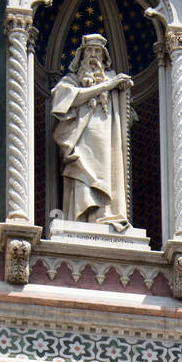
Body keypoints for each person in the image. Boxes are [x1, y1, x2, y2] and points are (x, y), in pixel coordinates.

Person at [51, 33, 133, 231]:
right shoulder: (72, 80)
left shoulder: (114, 82)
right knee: (80, 171)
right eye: (89, 51)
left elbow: (124, 116)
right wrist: (106, 86)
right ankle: (78, 221)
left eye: (98, 51)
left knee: (106, 174)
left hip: (106, 140)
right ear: (81, 55)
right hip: (80, 139)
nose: (93, 56)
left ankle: (104, 216)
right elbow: (63, 101)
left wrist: (124, 97)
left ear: (104, 57)